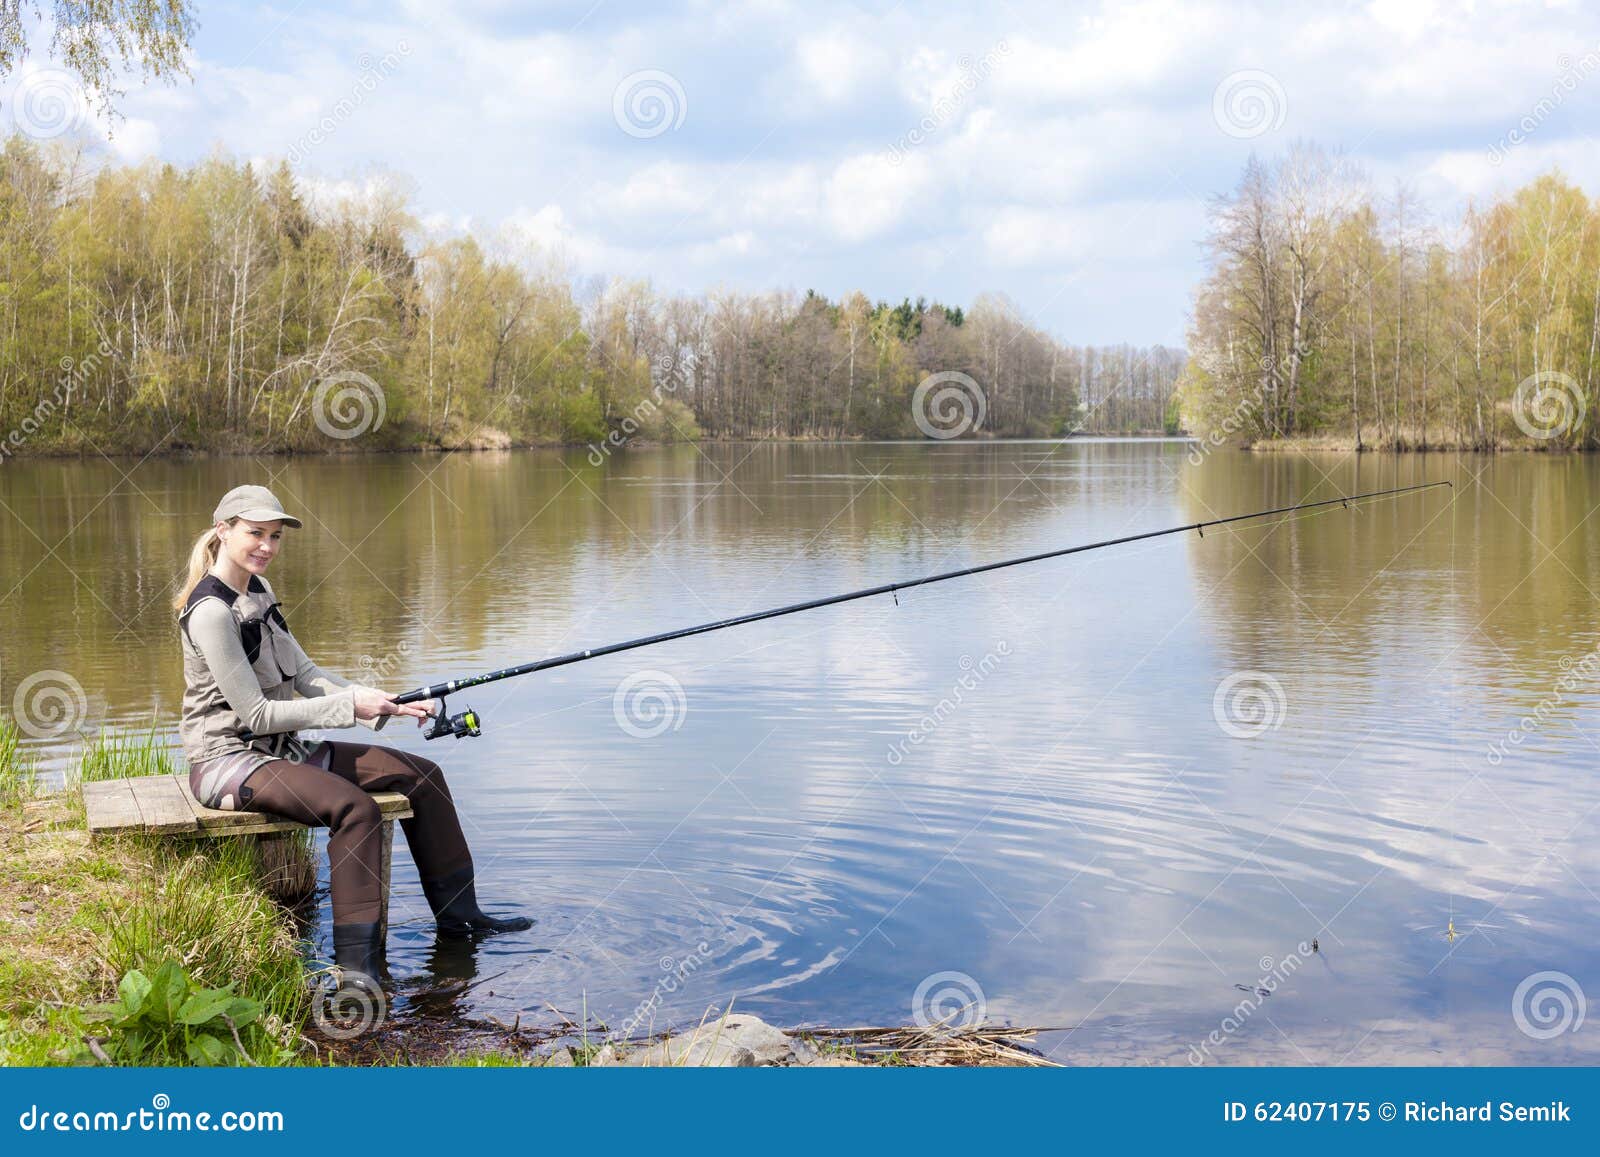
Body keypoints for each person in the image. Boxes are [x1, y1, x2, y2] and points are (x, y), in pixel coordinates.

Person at [173, 484, 531, 989]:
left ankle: (461, 922)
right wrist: (349, 707)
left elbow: (305, 673)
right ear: (223, 530)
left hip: (285, 753)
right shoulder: (210, 611)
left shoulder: (258, 592)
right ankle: (359, 972)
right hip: (228, 762)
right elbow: (253, 714)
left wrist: (387, 702)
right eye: (256, 533)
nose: (267, 547)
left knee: (422, 776)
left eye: (275, 536)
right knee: (353, 808)